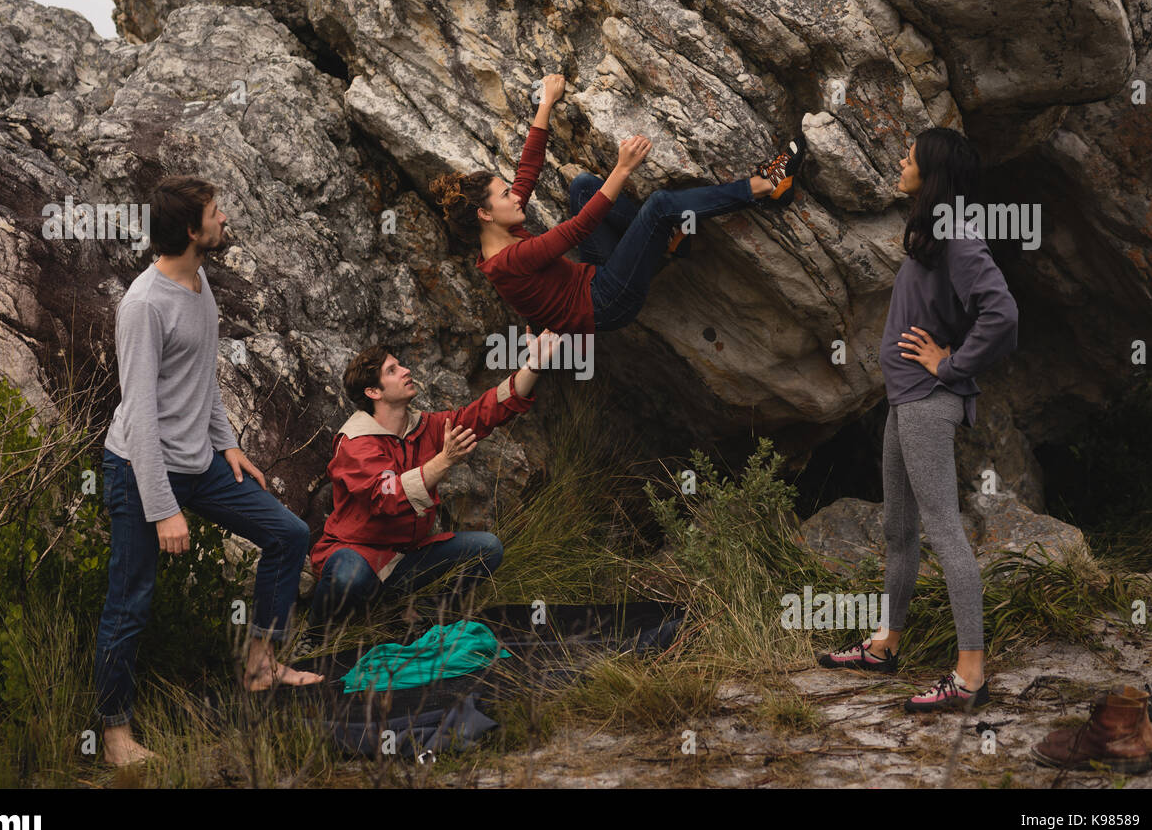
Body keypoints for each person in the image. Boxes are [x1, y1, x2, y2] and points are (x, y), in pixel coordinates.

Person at [95, 175, 323, 767]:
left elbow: (202, 378)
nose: (225, 219)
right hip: (140, 469)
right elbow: (140, 413)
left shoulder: (198, 283)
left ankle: (260, 665)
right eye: (216, 213)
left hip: (199, 461)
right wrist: (164, 507)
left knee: (288, 534)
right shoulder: (144, 305)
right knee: (130, 601)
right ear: (193, 231)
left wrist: (228, 443)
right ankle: (115, 737)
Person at [817, 127, 1019, 713]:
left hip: (928, 402)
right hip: (906, 400)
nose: (901, 159)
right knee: (898, 532)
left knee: (942, 530)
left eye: (910, 154)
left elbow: (1001, 313)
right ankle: (885, 646)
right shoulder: (934, 231)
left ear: (931, 172)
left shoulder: (957, 234)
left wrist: (951, 363)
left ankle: (971, 676)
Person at [429, 74, 805, 335]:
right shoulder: (509, 260)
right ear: (485, 213)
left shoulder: (498, 231)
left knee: (582, 187)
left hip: (590, 278)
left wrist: (545, 103)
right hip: (606, 303)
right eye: (506, 194)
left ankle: (671, 240)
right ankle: (765, 186)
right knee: (657, 205)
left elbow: (528, 170)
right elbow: (577, 230)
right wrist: (623, 168)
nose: (516, 194)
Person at [308, 329, 560, 625]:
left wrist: (533, 366)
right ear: (373, 392)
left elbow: (483, 414)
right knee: (351, 574)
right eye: (393, 370)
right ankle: (315, 637)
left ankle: (413, 616)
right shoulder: (355, 442)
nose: (405, 371)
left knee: (487, 549)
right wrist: (444, 460)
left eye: (401, 364)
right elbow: (386, 496)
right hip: (356, 555)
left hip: (405, 559)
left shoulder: (424, 426)